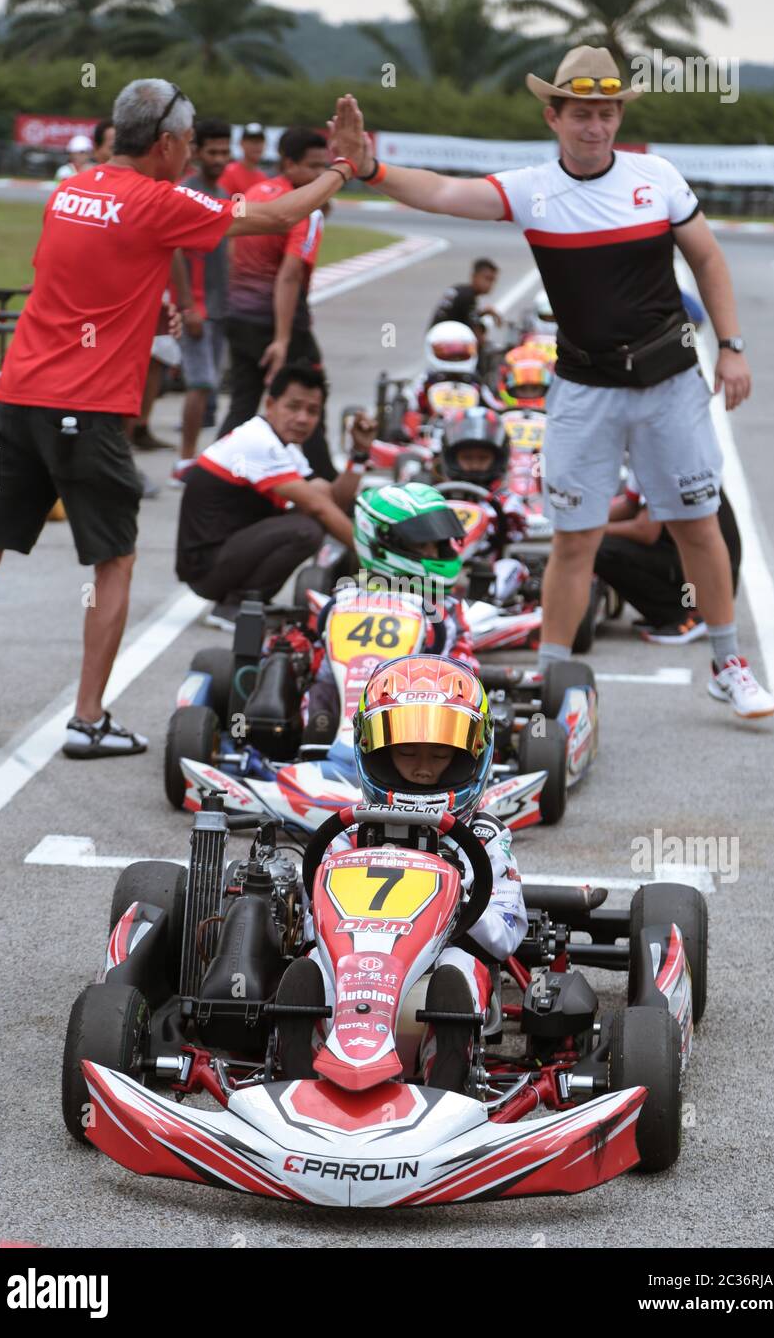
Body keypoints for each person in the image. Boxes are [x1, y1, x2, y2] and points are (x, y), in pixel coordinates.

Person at [331, 49, 774, 721]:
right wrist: (369, 168)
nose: (595, 127)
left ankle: (729, 664)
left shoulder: (656, 178)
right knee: (574, 540)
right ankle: (549, 680)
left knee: (696, 524)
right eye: (581, 115)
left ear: (619, 115)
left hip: (668, 381)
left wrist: (733, 346)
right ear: (554, 116)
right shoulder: (534, 189)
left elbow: (707, 256)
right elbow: (446, 194)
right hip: (584, 388)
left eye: (606, 113)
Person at [0, 78, 363, 753]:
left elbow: (81, 283)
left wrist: (147, 312)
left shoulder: (71, 190)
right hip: (82, 411)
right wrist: (344, 169)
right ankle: (88, 721)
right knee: (114, 561)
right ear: (170, 143)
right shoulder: (159, 200)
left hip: (16, 398)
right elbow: (271, 215)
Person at [274, 656, 527, 1092]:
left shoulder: (483, 837)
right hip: (353, 962)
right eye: (407, 752)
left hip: (440, 963)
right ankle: (302, 1068)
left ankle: (444, 1074)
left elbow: (506, 932)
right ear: (376, 751)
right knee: (311, 968)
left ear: (473, 753)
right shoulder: (347, 832)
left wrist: (458, 900)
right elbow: (313, 921)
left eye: (441, 754)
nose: (424, 768)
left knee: (458, 973)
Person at [176, 364, 375, 627]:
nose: (303, 418)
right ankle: (236, 604)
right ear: (270, 404)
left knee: (319, 492)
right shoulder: (258, 440)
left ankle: (247, 600)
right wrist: (379, 558)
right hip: (207, 568)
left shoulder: (284, 446)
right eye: (293, 407)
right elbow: (319, 510)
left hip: (229, 552)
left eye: (312, 411)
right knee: (306, 529)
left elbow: (333, 499)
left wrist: (359, 455)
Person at [299, 482, 476, 743]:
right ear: (381, 543)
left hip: (420, 709)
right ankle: (315, 745)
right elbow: (317, 660)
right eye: (422, 546)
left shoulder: (447, 607)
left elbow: (466, 668)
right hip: (339, 702)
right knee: (318, 691)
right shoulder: (345, 599)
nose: (432, 553)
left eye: (436, 545)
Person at [221, 126, 334, 478]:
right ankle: (326, 482)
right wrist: (283, 338)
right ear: (289, 162)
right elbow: (288, 276)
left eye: (324, 168)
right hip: (281, 320)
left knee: (243, 399)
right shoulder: (303, 209)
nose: (321, 176)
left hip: (239, 313)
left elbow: (228, 244)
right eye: (313, 168)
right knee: (311, 398)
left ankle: (217, 468)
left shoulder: (255, 192)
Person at [595, 470, 742, 644]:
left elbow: (645, 531)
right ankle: (675, 611)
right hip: (698, 563)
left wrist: (591, 532)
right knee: (596, 542)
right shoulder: (643, 456)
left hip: (710, 575)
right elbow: (630, 505)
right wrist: (583, 524)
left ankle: (686, 615)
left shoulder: (661, 460)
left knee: (601, 549)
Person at [173, 118, 232, 476]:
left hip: (220, 305)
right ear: (196, 152)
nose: (220, 158)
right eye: (213, 152)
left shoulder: (224, 194)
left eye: (225, 152)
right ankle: (184, 459)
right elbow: (175, 251)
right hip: (196, 307)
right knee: (200, 384)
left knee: (209, 386)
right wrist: (187, 305)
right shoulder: (185, 192)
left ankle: (197, 457)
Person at [429, 258, 502, 333]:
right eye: (487, 279)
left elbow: (461, 316)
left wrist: (483, 313)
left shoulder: (460, 290)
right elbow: (476, 332)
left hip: (435, 335)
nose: (489, 285)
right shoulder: (468, 296)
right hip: (444, 340)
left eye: (493, 280)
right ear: (474, 276)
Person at [219, 121, 267, 200]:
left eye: (260, 141)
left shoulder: (263, 178)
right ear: (241, 143)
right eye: (252, 141)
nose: (257, 146)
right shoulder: (228, 173)